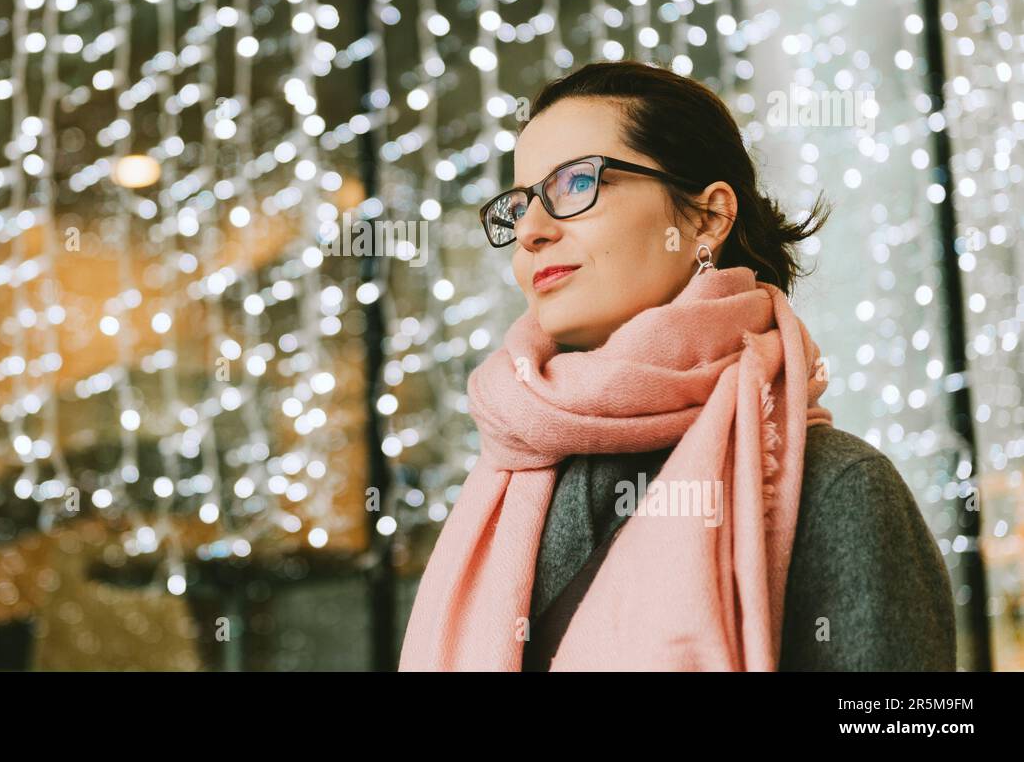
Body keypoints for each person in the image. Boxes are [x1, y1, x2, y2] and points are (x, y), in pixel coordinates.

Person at [398, 60, 957, 671]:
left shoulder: (834, 489)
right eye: (519, 204)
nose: (531, 229)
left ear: (708, 218)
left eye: (576, 184)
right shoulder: (512, 469)